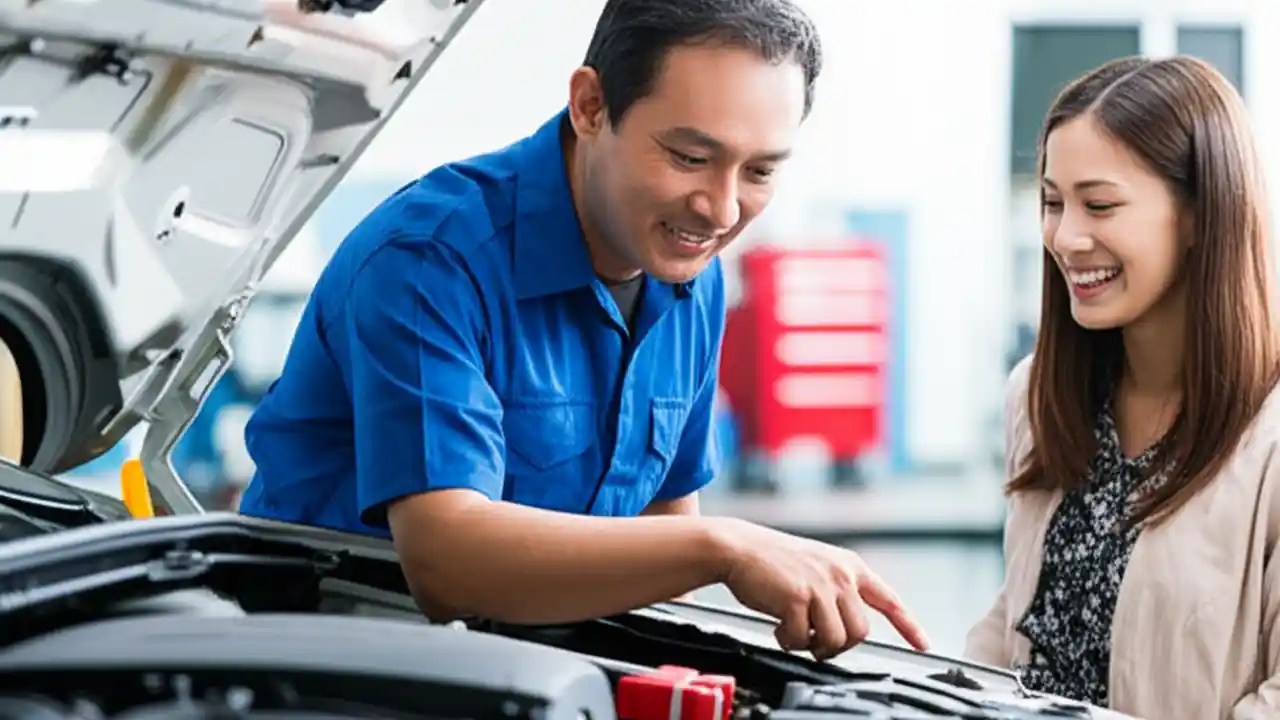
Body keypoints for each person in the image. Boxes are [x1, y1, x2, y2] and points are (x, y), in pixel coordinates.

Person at [237, 0, 930, 660]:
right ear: (591, 105)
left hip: (532, 661)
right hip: (326, 663)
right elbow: (446, 561)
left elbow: (663, 516)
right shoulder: (431, 258)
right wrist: (728, 547)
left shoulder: (691, 275)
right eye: (690, 158)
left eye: (759, 171)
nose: (721, 211)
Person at [965, 55, 1280, 719]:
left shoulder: (1269, 436)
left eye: (1100, 205)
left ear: (1201, 214)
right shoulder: (1038, 395)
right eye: (1052, 202)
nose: (1065, 237)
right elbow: (1017, 619)